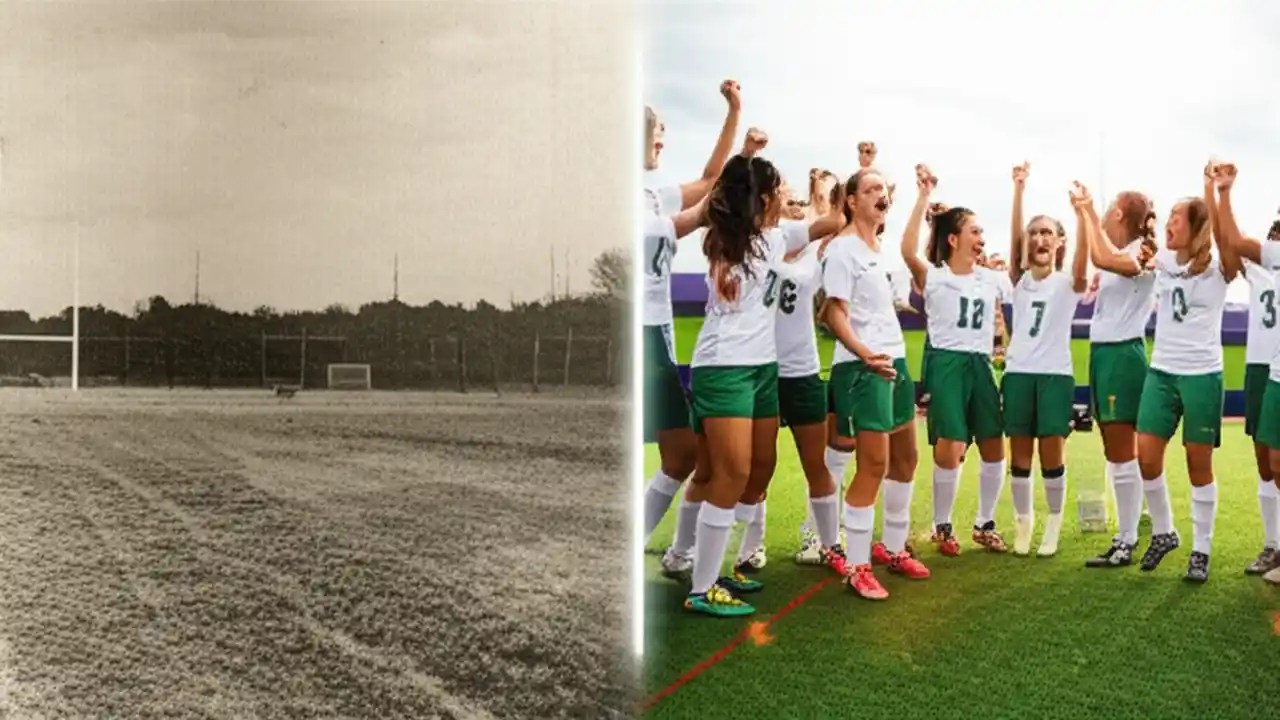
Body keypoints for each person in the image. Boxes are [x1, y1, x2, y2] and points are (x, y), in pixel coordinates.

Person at [683, 152, 845, 617]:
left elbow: (828, 223)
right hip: (725, 366)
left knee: (758, 469)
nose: (781, 197)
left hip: (761, 370)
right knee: (730, 471)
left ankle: (724, 566)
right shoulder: (723, 240)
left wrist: (843, 186)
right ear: (761, 196)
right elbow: (720, 198)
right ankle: (701, 587)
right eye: (777, 190)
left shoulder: (776, 238)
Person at [1101, 160, 1240, 582]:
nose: (1168, 226)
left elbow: (1218, 231)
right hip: (1161, 374)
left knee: (1199, 464)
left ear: (1196, 228)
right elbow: (1113, 255)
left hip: (1201, 375)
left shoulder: (1220, 269)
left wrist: (1217, 191)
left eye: (1177, 220)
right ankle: (1165, 531)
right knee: (1146, 456)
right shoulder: (1160, 260)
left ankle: (1202, 549)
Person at [641, 80, 743, 551]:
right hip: (631, 333)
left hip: (656, 334)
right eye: (658, 128)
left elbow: (709, 186)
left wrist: (735, 116)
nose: (663, 136)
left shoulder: (655, 192)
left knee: (681, 455)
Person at [821, 167, 931, 599]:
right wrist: (865, 355)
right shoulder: (842, 250)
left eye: (884, 189)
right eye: (870, 189)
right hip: (863, 366)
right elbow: (832, 313)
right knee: (873, 466)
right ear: (851, 200)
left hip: (896, 360)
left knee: (906, 460)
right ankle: (858, 566)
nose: (880, 195)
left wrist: (923, 197)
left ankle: (894, 548)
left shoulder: (883, 251)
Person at [901, 164, 1012, 556]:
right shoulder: (935, 277)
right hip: (947, 362)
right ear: (953, 238)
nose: (982, 238)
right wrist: (922, 198)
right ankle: (943, 525)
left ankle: (984, 523)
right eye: (975, 231)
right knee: (949, 445)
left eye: (982, 232)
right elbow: (906, 249)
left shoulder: (993, 279)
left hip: (981, 363)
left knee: (994, 443)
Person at [1002, 161, 1088, 557]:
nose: (1038, 238)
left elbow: (1083, 263)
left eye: (1047, 233)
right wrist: (1019, 188)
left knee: (1051, 451)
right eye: (1034, 232)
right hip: (1019, 373)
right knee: (1019, 454)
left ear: (1058, 242)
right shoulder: (1019, 281)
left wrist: (1082, 214)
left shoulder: (1067, 282)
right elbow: (1014, 240)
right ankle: (1024, 522)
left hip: (1054, 375)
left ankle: (1053, 522)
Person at [1079, 184, 1157, 569]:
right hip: (1106, 355)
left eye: (1110, 209)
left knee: (1122, 450)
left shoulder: (1139, 252)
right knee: (1115, 449)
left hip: (1121, 355)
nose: (1105, 214)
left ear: (1120, 215)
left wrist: (1088, 211)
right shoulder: (1123, 254)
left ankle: (1126, 540)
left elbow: (1099, 255)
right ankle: (1129, 533)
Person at [1223, 191, 1280, 577]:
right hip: (1265, 368)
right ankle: (1273, 544)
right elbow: (1231, 245)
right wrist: (1220, 196)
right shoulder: (1262, 268)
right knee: (1267, 461)